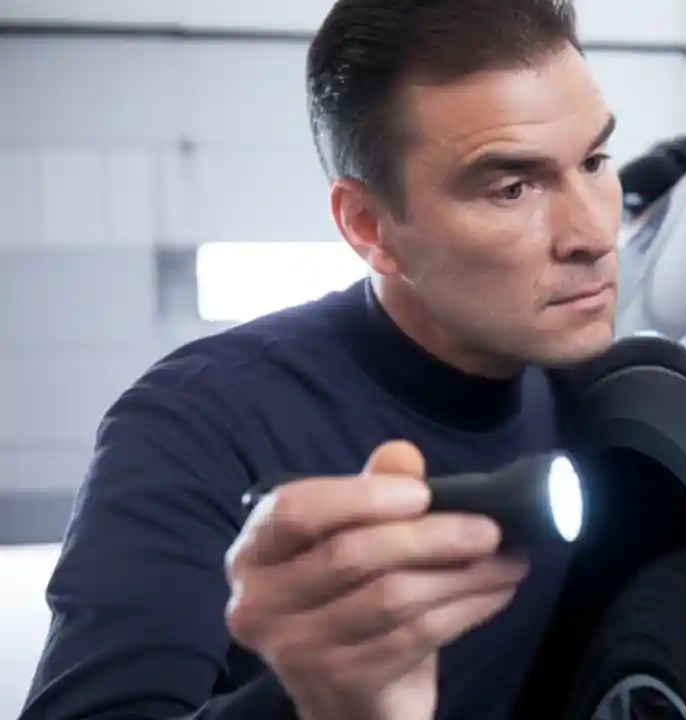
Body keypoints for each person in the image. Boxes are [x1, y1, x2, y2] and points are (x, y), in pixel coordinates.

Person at [20, 0, 622, 718]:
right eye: (512, 189)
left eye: (593, 160)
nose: (591, 233)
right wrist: (320, 707)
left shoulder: (576, 360)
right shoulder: (194, 425)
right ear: (370, 227)